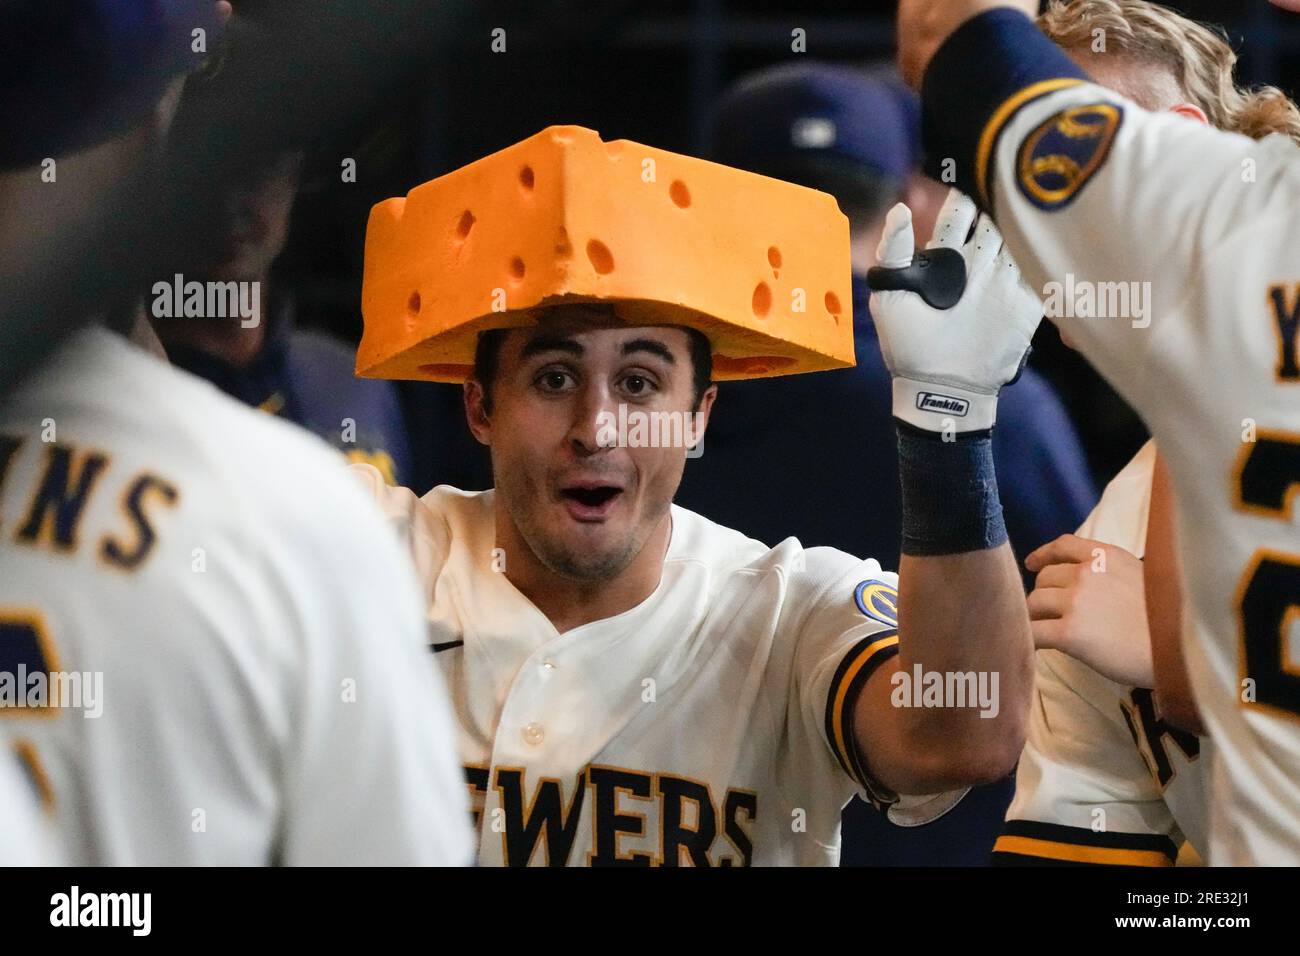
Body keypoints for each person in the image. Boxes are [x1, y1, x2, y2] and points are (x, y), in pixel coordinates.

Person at [351, 122, 1042, 864]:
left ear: (697, 417)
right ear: (481, 406)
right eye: (554, 379)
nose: (597, 429)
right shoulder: (365, 553)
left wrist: (950, 423)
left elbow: (967, 734)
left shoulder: (789, 611)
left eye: (640, 384)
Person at [0, 1, 471, 865]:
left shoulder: (346, 381)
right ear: (157, 153)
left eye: (270, 169)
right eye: (212, 169)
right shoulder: (281, 508)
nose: (240, 206)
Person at [895, 0, 1300, 862]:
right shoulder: (1103, 553)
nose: (1025, 220)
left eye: (1063, 159)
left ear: (1181, 141)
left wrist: (1177, 655)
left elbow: (942, 32)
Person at [672, 61, 1097, 866]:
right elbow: (1084, 646)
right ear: (910, 199)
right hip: (950, 840)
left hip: (693, 830)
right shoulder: (1004, 400)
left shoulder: (638, 394)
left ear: (713, 203)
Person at [154, 19, 412, 485]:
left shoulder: (351, 383)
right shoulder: (121, 398)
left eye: (257, 166)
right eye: (203, 170)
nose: (228, 205)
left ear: (295, 174)